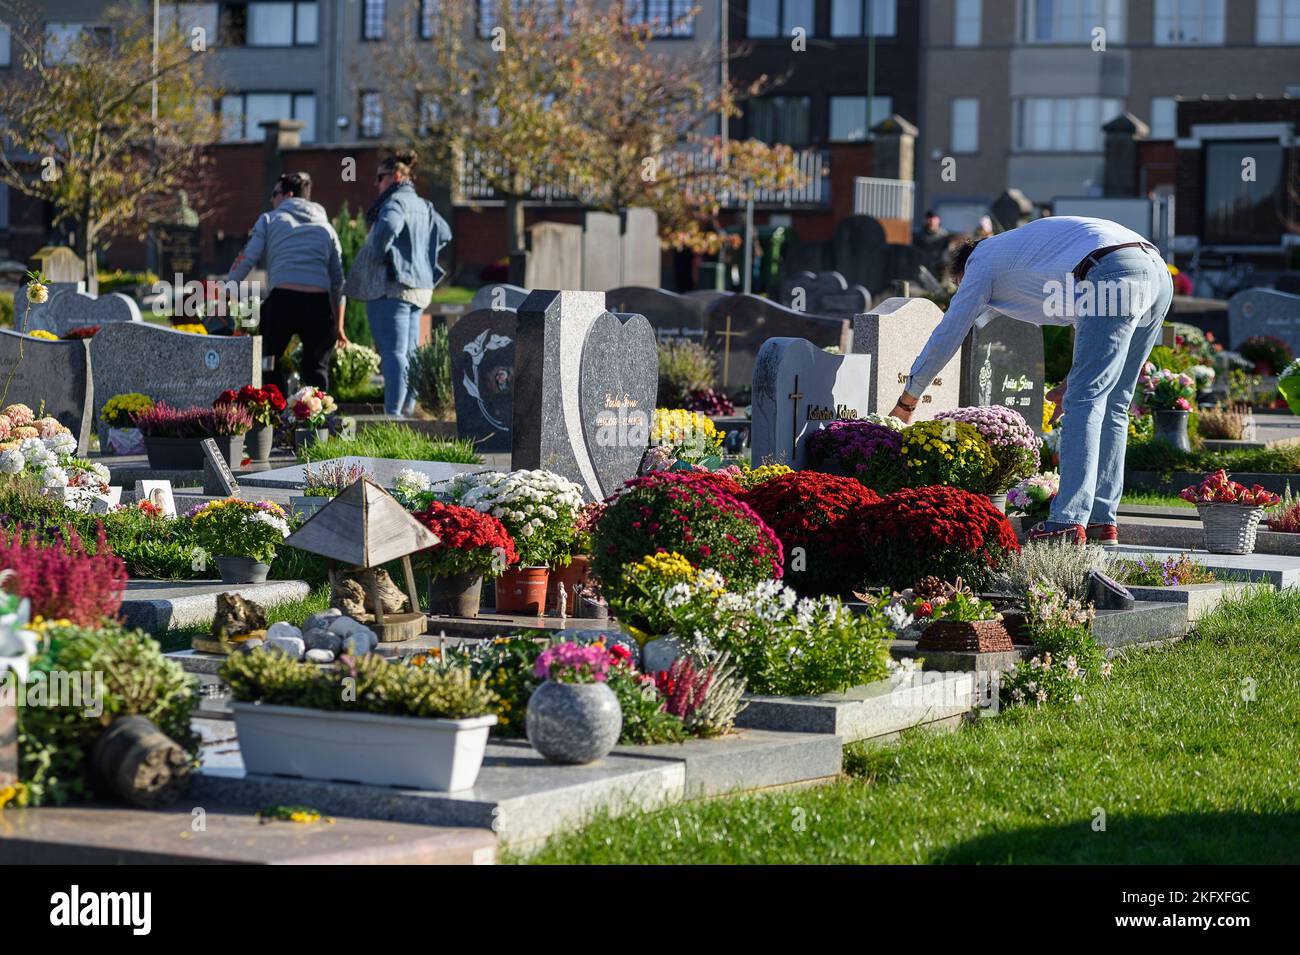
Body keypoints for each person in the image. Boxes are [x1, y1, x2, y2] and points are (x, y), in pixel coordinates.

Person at [889, 216, 1174, 546]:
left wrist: (908, 399)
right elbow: (1090, 322)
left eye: (959, 285)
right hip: (1155, 273)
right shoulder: (1031, 253)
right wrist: (1069, 381)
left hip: (1112, 269)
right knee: (1113, 403)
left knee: (1085, 401)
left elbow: (950, 330)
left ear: (963, 269)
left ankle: (1068, 521)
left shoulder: (981, 259)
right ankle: (1100, 521)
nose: (964, 291)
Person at [348, 149, 451, 417]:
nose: (376, 184)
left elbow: (388, 228)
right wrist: (420, 254)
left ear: (394, 176)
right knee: (409, 354)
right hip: (420, 287)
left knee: (393, 354)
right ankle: (408, 411)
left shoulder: (395, 202)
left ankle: (393, 415)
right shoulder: (424, 204)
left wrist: (384, 255)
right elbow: (445, 232)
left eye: (380, 177)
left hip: (393, 287)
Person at [227, 171, 345, 392]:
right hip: (318, 305)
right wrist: (338, 325)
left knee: (268, 361)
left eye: (275, 194)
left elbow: (247, 257)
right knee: (316, 368)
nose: (272, 200)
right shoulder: (327, 229)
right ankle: (315, 420)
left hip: (283, 301)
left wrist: (227, 289)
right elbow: (338, 280)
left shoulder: (269, 219)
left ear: (289, 195)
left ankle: (274, 415)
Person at [912, 209, 951, 277]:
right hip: (922, 268)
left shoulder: (944, 235)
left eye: (934, 219)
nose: (931, 221)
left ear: (938, 220)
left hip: (940, 269)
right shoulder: (918, 235)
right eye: (929, 219)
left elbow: (946, 253)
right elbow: (914, 253)